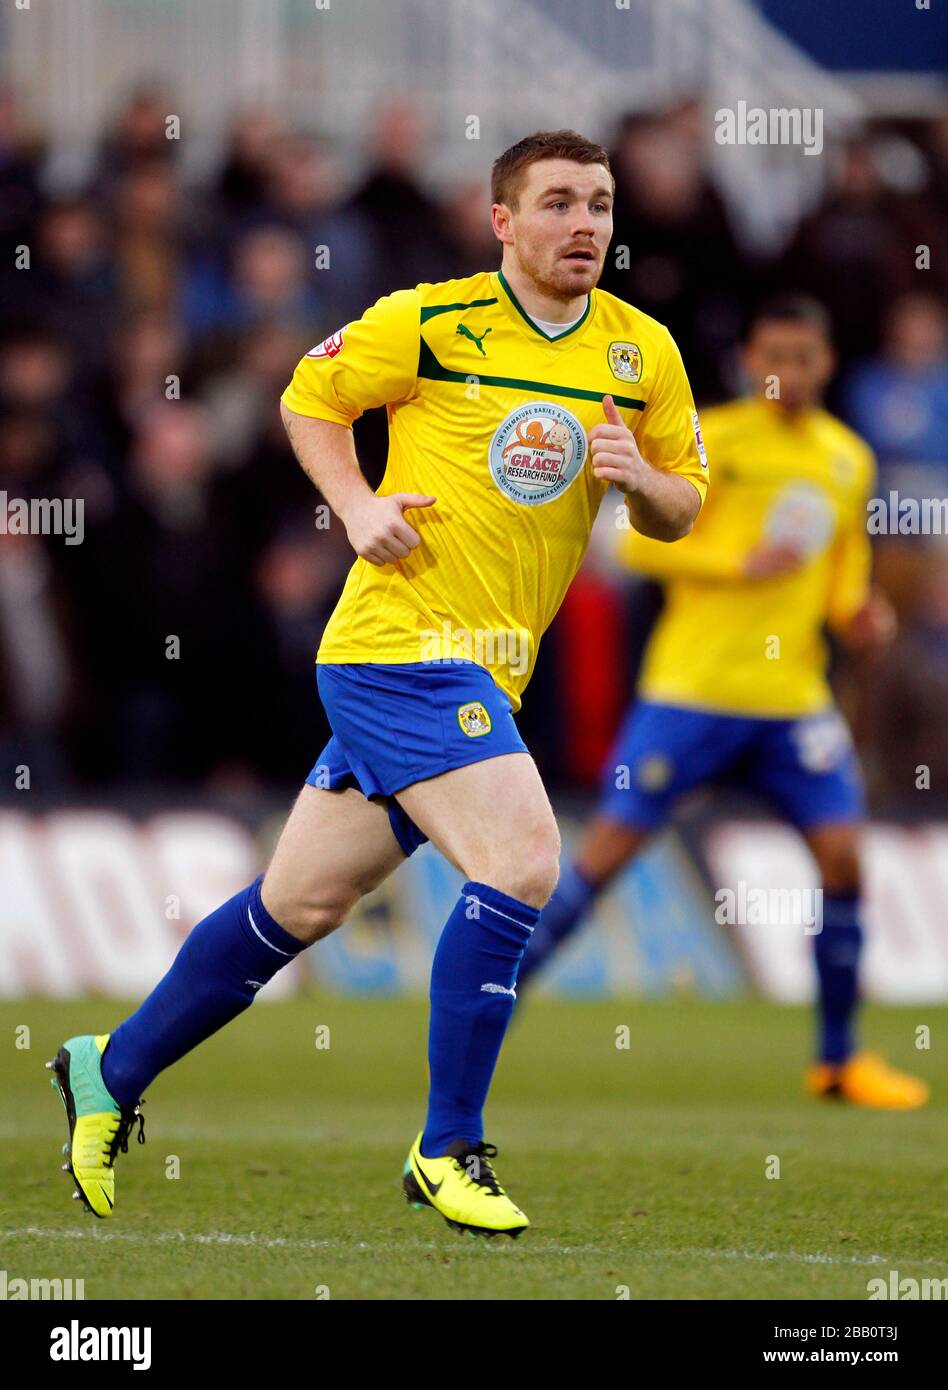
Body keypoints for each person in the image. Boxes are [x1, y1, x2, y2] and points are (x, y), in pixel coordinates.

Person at [47, 129, 708, 1237]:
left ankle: (107, 1068)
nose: (586, 223)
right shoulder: (430, 320)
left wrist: (640, 481)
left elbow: (686, 502)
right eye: (557, 203)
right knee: (524, 858)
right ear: (503, 222)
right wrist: (356, 507)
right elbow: (309, 399)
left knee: (296, 903)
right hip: (398, 645)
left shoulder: (643, 352)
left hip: (490, 667)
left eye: (598, 203)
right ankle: (447, 1146)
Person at [516, 294, 929, 1112]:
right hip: (692, 693)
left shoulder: (848, 458)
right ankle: (488, 1005)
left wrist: (858, 612)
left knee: (845, 860)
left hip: (792, 702)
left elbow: (843, 566)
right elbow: (634, 542)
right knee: (599, 860)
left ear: (828, 364)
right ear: (748, 360)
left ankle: (838, 1062)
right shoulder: (706, 439)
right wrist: (742, 563)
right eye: (773, 355)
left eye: (804, 357)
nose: (788, 373)